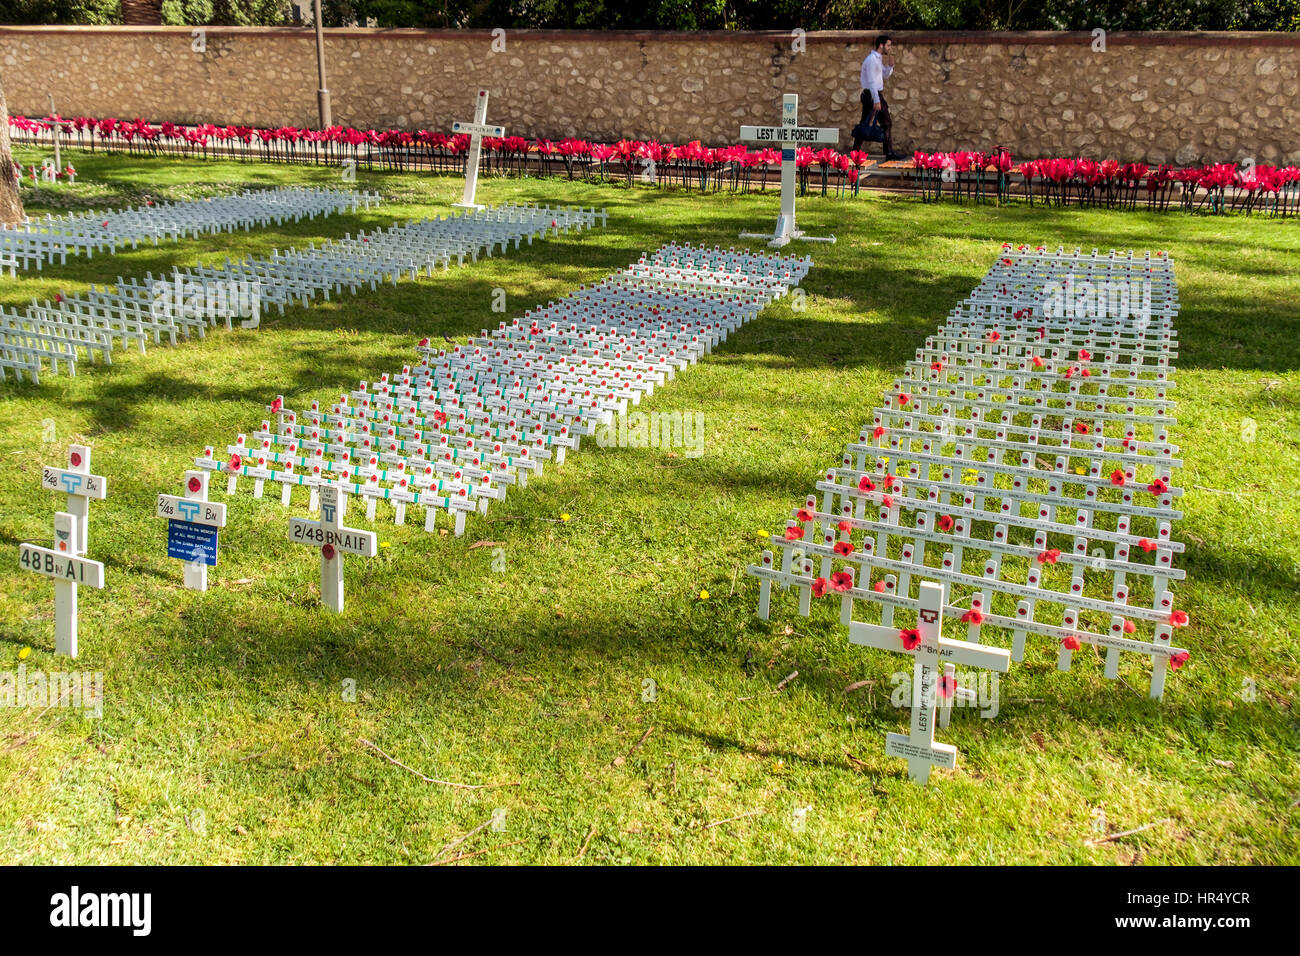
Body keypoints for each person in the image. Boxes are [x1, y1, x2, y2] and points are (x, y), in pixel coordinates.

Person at [854, 35, 903, 161]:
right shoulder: (872, 60)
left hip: (874, 95)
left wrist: (890, 66)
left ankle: (888, 153)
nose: (889, 48)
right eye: (888, 45)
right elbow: (871, 81)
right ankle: (886, 153)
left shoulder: (877, 59)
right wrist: (876, 100)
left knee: (884, 123)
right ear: (881, 45)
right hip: (872, 95)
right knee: (871, 123)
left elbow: (885, 75)